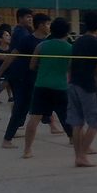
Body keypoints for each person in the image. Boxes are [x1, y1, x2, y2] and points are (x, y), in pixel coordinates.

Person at [0, 13, 50, 148]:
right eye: (47, 24)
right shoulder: (28, 40)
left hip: (37, 80)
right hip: (23, 78)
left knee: (41, 105)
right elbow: (12, 56)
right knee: (20, 109)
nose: (49, 27)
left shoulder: (47, 42)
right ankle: (7, 139)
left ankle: (55, 125)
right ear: (40, 25)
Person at [22, 18, 74, 159]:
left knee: (34, 119)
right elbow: (70, 68)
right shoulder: (70, 48)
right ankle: (74, 141)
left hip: (41, 85)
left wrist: (45, 68)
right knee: (67, 117)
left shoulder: (42, 45)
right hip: (60, 86)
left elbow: (32, 66)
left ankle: (27, 150)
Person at [69, 12, 97, 168]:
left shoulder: (77, 42)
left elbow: (70, 64)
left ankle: (78, 156)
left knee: (77, 123)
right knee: (94, 123)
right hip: (87, 85)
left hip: (73, 84)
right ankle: (82, 156)